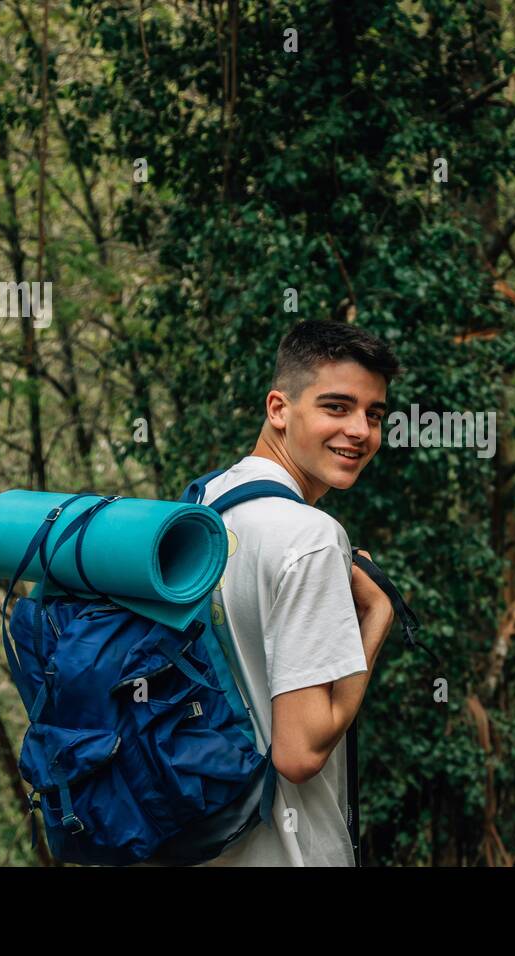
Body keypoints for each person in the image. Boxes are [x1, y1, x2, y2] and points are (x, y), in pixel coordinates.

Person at [199, 320, 401, 866]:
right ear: (279, 409)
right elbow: (300, 752)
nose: (361, 430)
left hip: (201, 846)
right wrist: (377, 615)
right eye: (337, 407)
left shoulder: (206, 504)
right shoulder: (310, 537)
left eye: (375, 415)